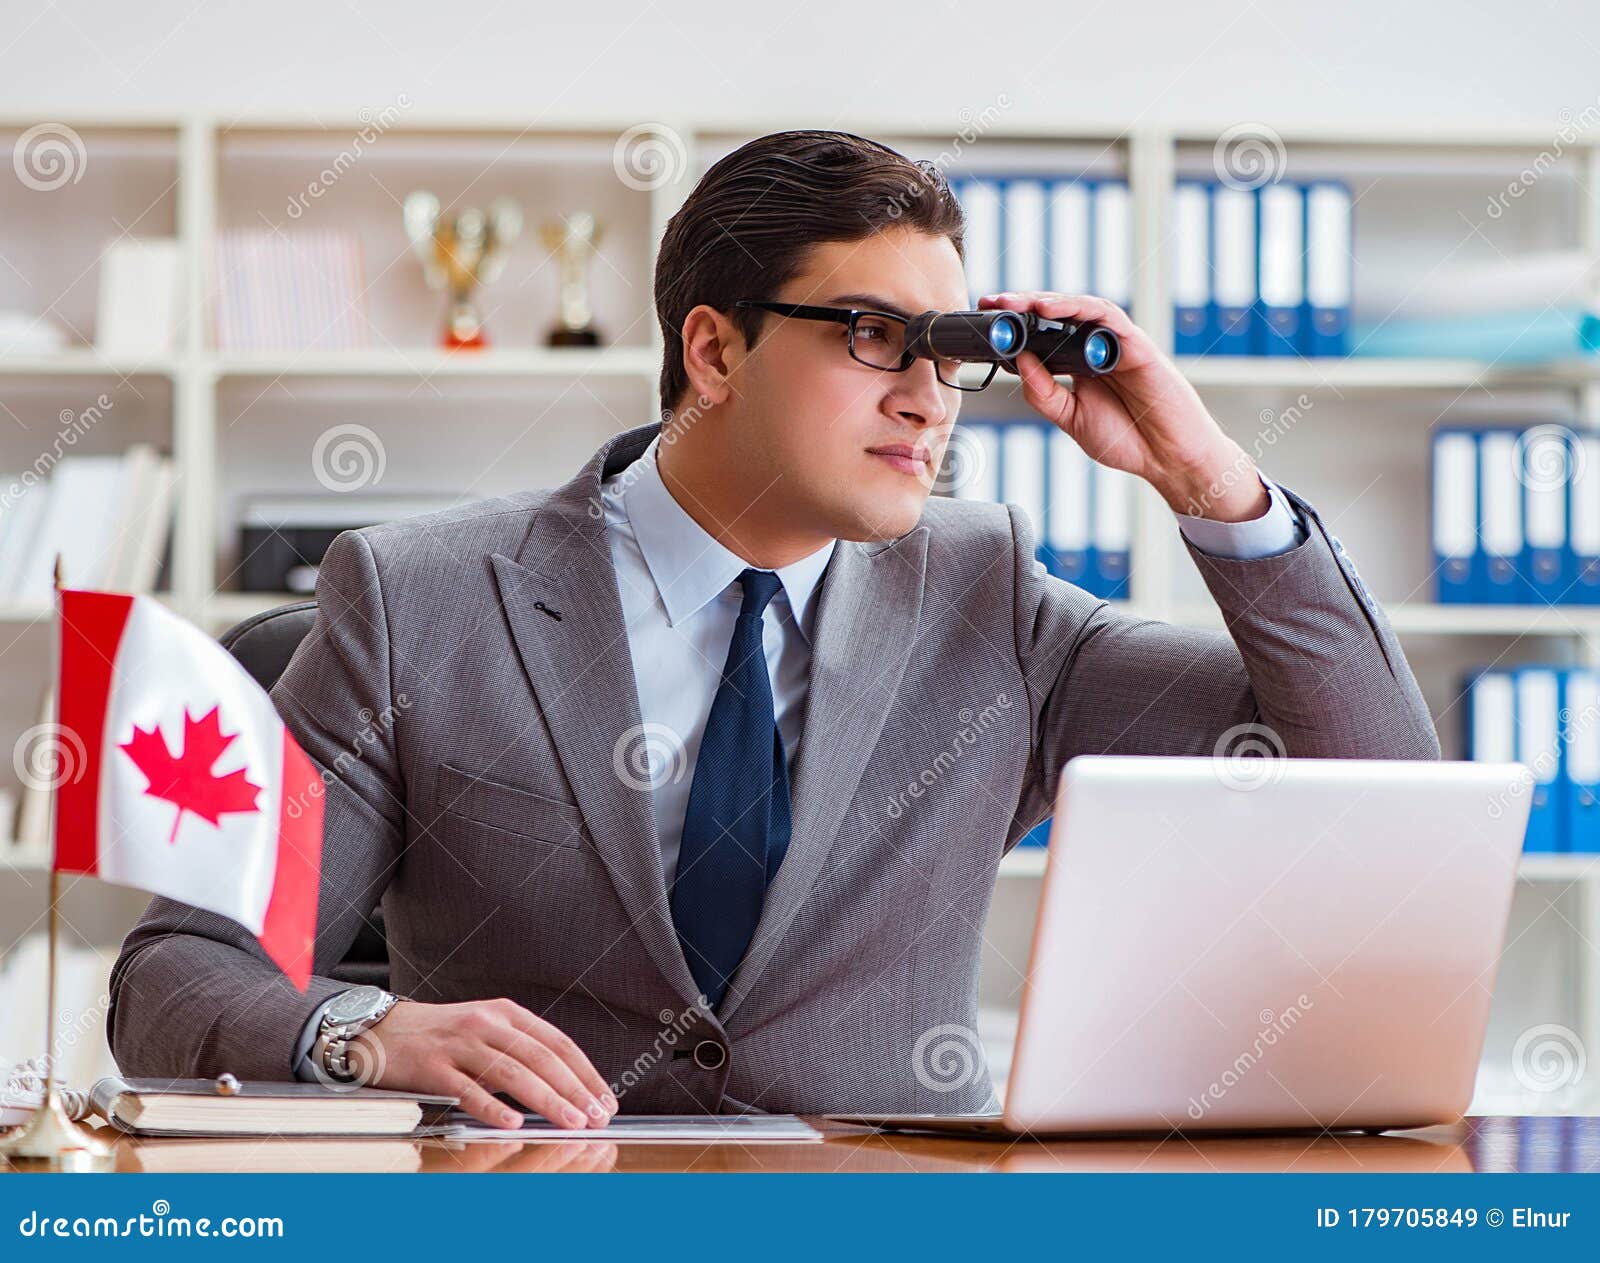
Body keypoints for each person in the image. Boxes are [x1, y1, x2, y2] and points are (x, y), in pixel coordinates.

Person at [109, 130, 1438, 1128]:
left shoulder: (990, 600)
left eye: (950, 350)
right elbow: (175, 977)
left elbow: (1373, 791)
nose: (931, 401)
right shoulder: (425, 599)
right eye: (877, 337)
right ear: (715, 352)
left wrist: (1216, 486)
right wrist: (367, 1031)